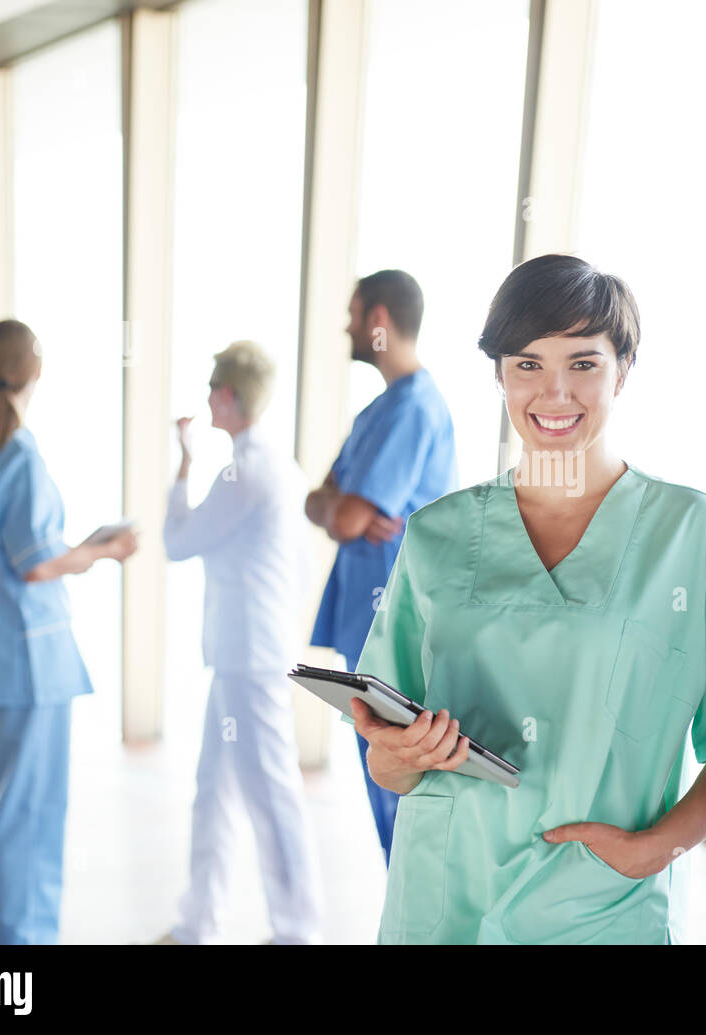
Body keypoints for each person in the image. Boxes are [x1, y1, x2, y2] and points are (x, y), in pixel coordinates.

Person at [350, 254, 706, 944]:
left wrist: (654, 849)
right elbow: (384, 753)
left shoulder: (693, 535)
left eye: (583, 364)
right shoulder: (436, 536)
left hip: (602, 902)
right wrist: (401, 755)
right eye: (527, 365)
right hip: (445, 897)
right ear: (500, 376)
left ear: (622, 370)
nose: (554, 392)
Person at [0, 318, 138, 945]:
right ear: (36, 371)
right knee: (29, 818)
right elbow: (34, 563)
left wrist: (75, 548)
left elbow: (17, 554)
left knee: (2, 815)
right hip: (29, 669)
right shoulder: (20, 454)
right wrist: (103, 553)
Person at [161, 341, 320, 945]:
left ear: (227, 397)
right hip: (248, 655)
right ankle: (198, 921)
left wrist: (182, 462)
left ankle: (297, 933)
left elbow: (177, 542)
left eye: (210, 389)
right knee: (215, 793)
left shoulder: (240, 472)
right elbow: (301, 570)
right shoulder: (280, 466)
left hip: (247, 660)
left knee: (270, 796)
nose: (205, 399)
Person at [306, 269, 458, 864]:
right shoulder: (379, 410)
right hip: (364, 626)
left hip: (397, 628)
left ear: (377, 320)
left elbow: (341, 517)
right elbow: (319, 501)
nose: (346, 325)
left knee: (402, 798)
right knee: (381, 787)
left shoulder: (414, 408)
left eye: (352, 312)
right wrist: (336, 503)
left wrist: (339, 506)